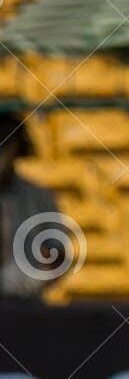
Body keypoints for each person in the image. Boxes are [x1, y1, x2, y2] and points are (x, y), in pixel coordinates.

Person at [0, 109, 64, 301]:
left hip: (26, 308)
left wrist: (31, 278)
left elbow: (58, 255)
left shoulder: (39, 197)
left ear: (17, 148)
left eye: (5, 146)